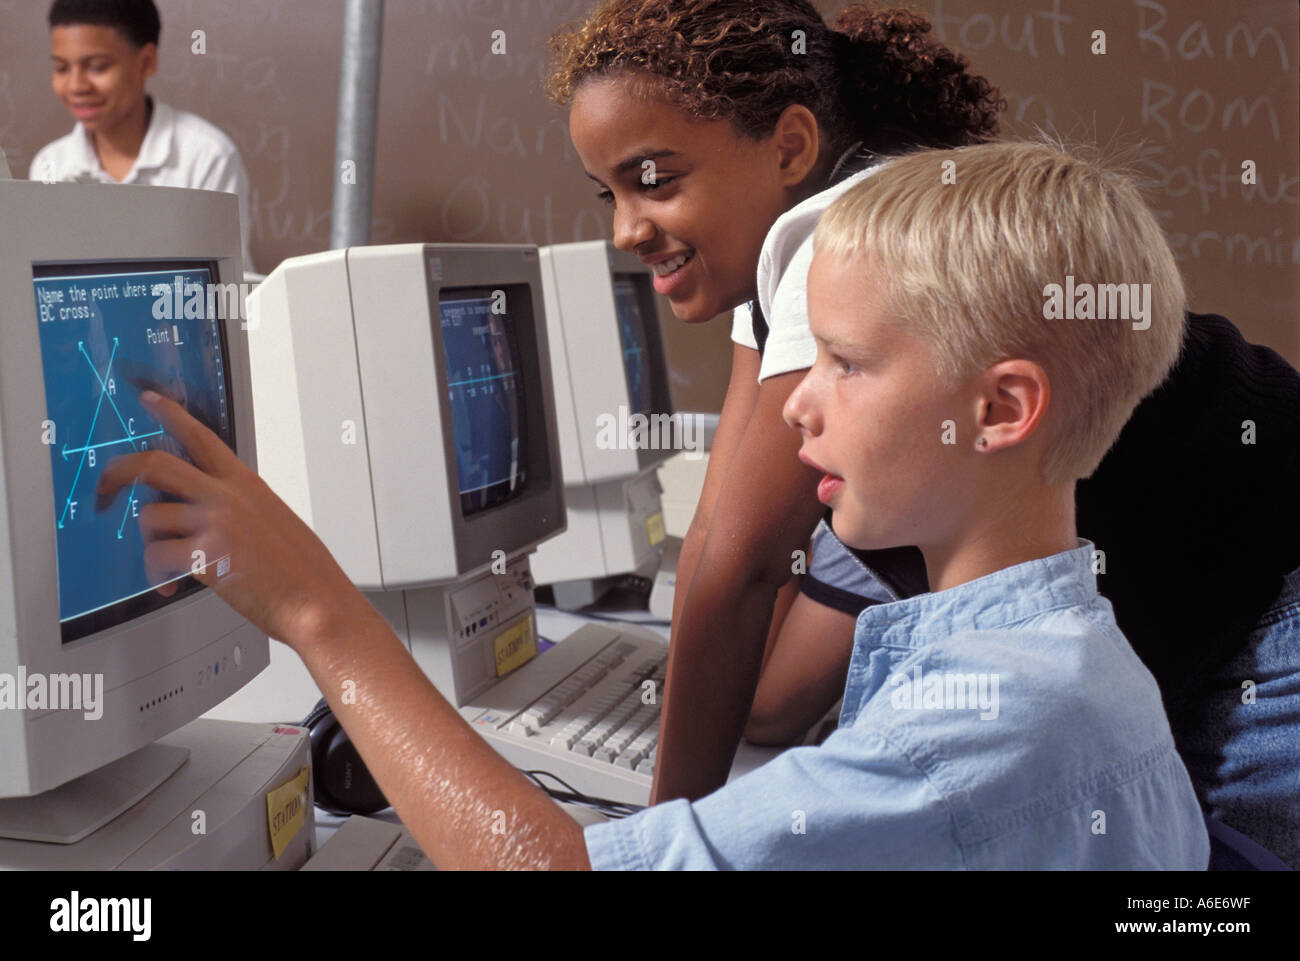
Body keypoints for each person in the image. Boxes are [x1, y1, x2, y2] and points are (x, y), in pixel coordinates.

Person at [98, 138, 1211, 869]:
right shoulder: (1064, 661)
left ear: (1002, 409)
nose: (795, 408)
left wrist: (318, 613)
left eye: (845, 363)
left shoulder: (982, 730)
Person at [547, 0, 1300, 868]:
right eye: (609, 192)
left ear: (790, 148)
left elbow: (741, 561)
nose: (624, 228)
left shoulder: (851, 238)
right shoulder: (817, 260)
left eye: (655, 179)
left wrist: (665, 838)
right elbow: (736, 554)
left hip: (1270, 604)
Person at [30, 0, 254, 272]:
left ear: (146, 62)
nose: (76, 86)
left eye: (98, 66)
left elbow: (226, 283)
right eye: (62, 68)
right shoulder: (49, 165)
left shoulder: (206, 156)